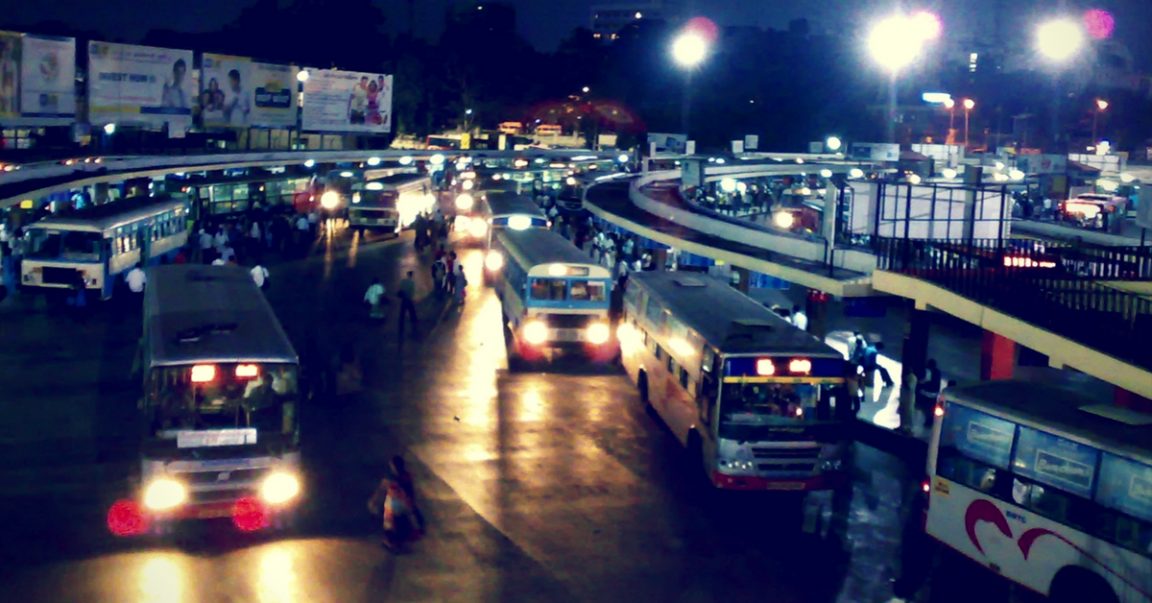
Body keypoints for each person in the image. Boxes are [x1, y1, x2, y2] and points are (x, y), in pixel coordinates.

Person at [367, 455, 425, 551]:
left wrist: (375, 501)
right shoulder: (406, 477)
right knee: (398, 522)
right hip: (401, 505)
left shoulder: (391, 480)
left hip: (396, 506)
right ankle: (397, 540)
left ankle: (394, 541)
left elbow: (382, 490)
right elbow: (410, 492)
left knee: (391, 523)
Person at [916, 359, 942, 429]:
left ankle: (928, 421)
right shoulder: (938, 372)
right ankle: (930, 421)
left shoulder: (928, 371)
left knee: (926, 408)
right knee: (931, 409)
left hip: (927, 393)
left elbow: (924, 381)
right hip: (935, 394)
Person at [397, 271, 418, 335]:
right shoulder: (412, 282)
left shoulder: (403, 281)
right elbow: (412, 291)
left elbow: (400, 288)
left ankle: (401, 322)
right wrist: (412, 298)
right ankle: (414, 320)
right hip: (408, 299)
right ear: (411, 275)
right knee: (411, 310)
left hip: (404, 298)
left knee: (403, 311)